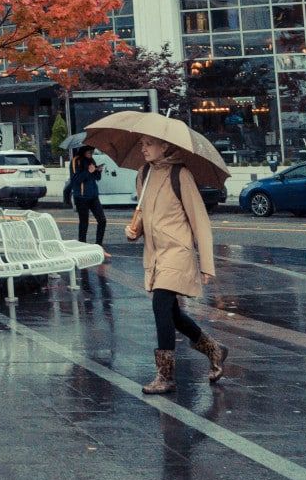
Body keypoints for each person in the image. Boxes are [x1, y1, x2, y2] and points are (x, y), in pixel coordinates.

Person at [124, 136, 225, 394]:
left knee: (160, 304)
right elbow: (146, 215)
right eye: (142, 144)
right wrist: (135, 230)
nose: (143, 148)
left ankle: (165, 376)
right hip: (156, 254)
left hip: (178, 252)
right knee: (172, 314)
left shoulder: (180, 175)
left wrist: (207, 264)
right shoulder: (143, 175)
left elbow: (199, 220)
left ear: (165, 146)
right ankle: (213, 348)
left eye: (149, 143)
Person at [67, 150, 105, 246]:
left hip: (93, 195)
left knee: (102, 220)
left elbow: (97, 178)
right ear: (83, 150)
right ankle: (82, 244)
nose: (91, 153)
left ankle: (99, 244)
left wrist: (98, 171)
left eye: (92, 152)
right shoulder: (76, 161)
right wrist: (88, 171)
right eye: (88, 151)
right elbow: (76, 179)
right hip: (81, 197)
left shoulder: (91, 160)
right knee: (84, 223)